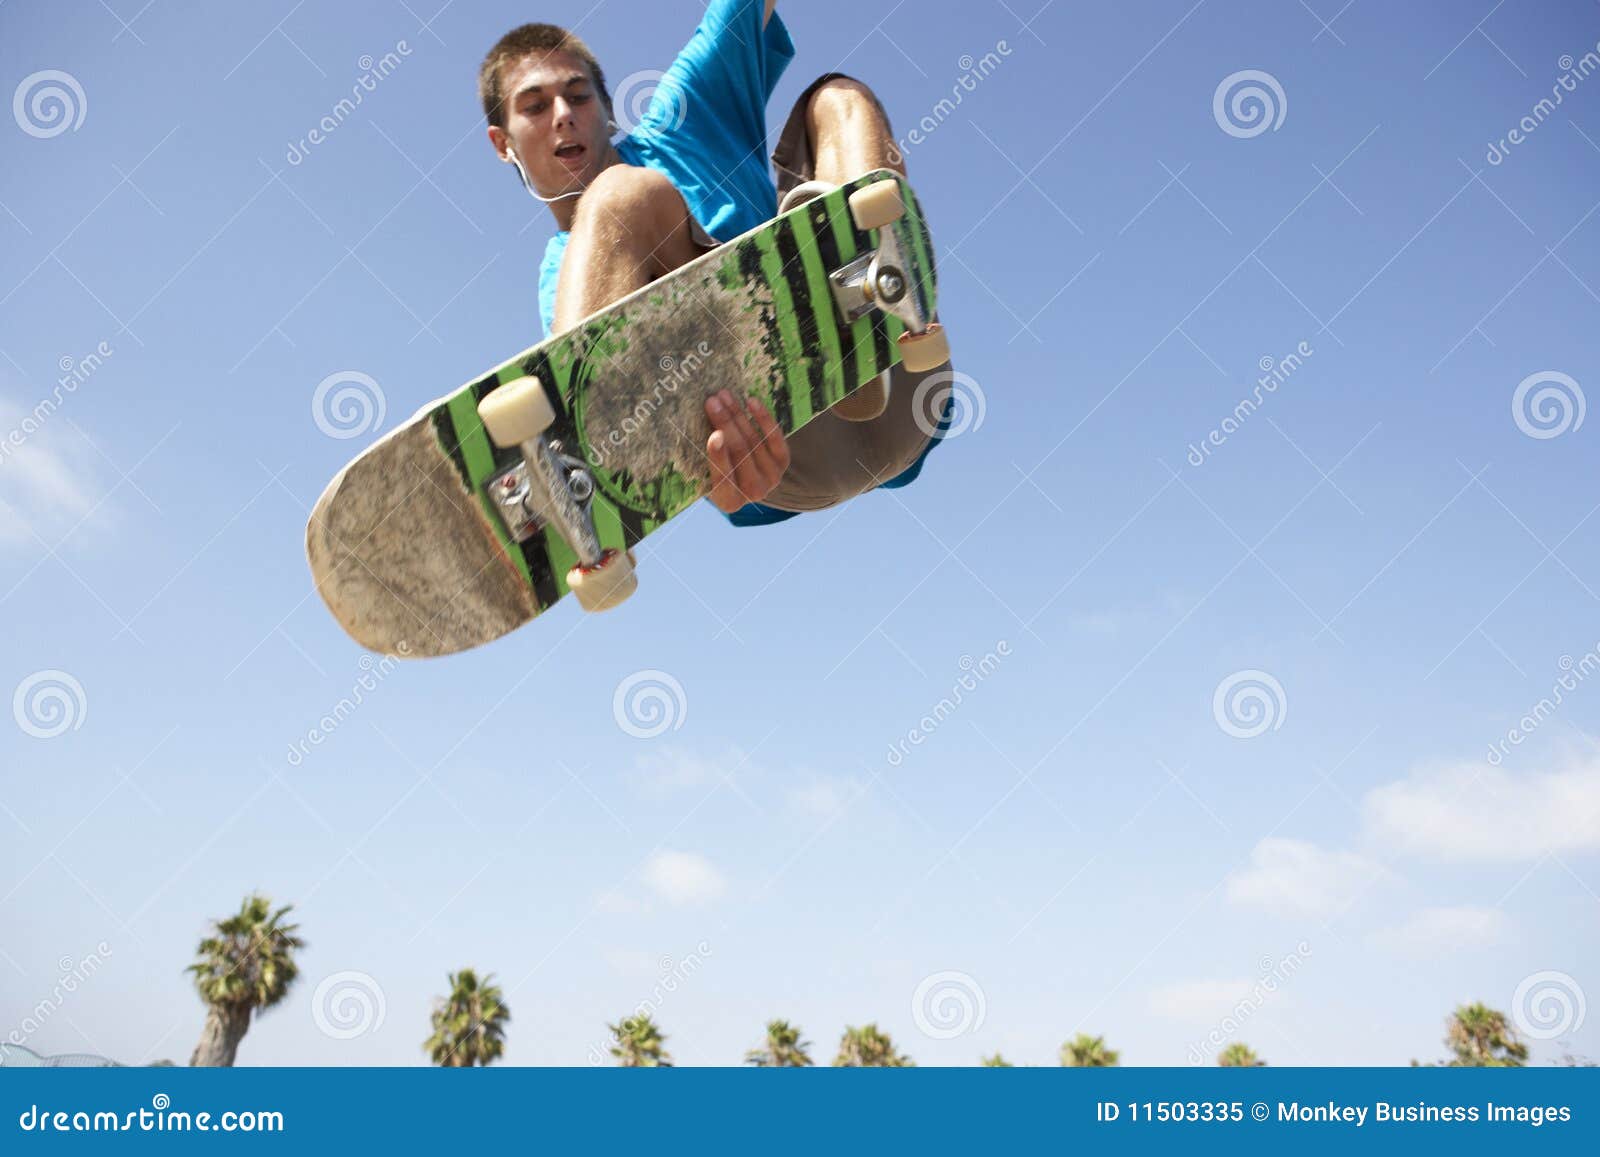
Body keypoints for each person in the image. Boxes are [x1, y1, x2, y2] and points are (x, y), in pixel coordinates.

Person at [478, 0, 951, 527]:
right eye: (535, 107)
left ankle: (865, 319)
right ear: (503, 143)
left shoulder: (686, 116)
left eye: (578, 95)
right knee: (620, 199)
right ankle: (573, 498)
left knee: (839, 99)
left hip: (902, 385)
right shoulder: (563, 290)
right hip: (780, 453)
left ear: (607, 112)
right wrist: (699, 476)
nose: (564, 113)